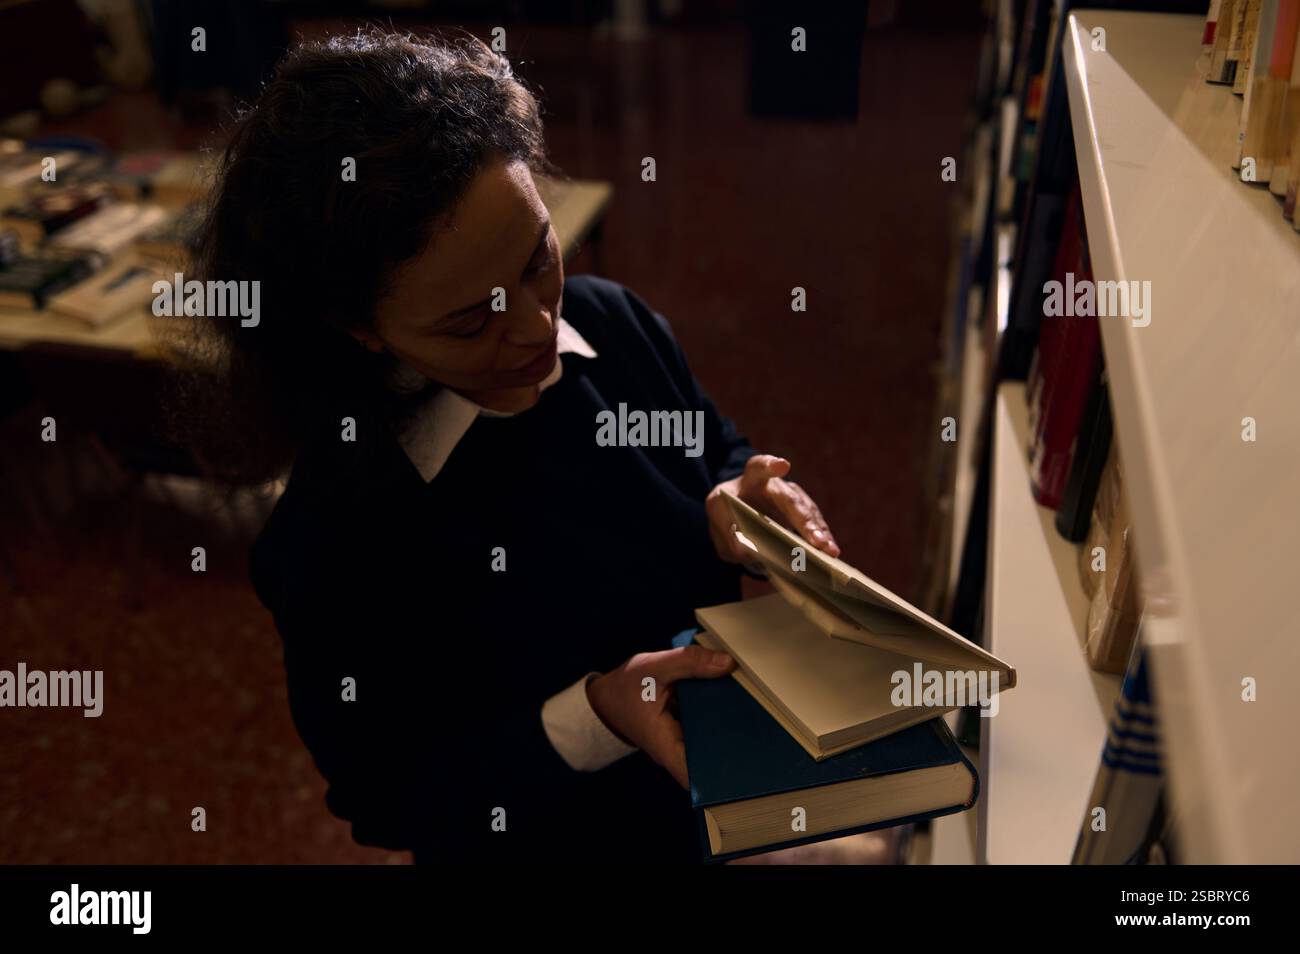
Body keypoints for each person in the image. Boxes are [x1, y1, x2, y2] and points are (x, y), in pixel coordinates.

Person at [180, 29, 840, 863]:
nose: (537, 329)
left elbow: (711, 445)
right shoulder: (337, 536)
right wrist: (596, 715)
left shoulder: (611, 323)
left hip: (703, 810)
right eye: (469, 320)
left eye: (537, 260)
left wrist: (732, 497)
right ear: (359, 330)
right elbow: (387, 796)